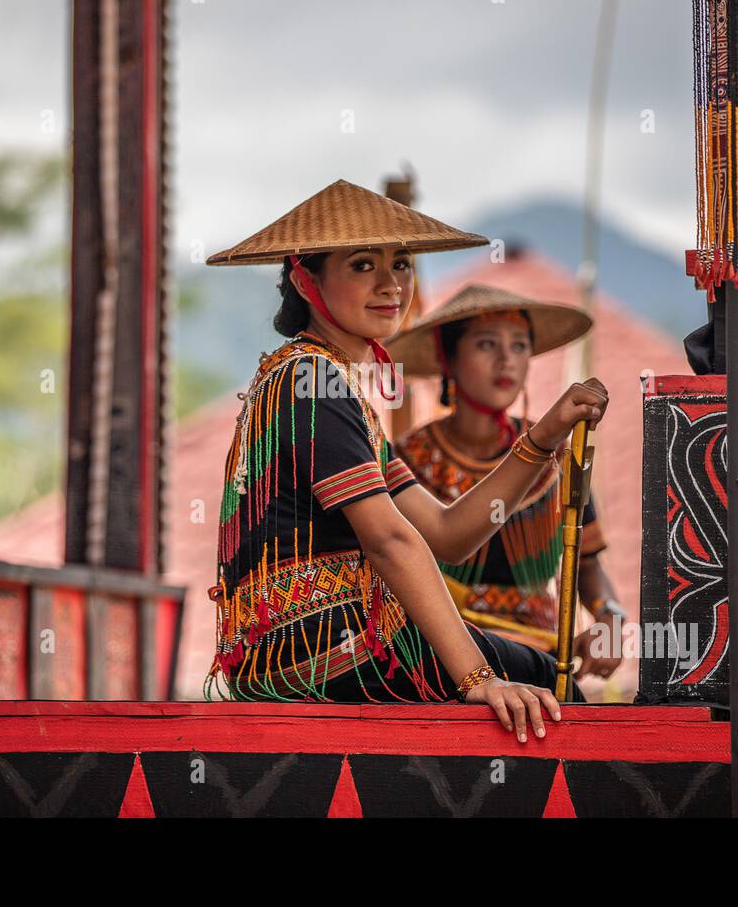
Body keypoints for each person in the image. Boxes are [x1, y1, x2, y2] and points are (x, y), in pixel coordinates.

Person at [202, 179, 609, 743]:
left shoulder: (325, 383)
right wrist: (478, 678)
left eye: (401, 265)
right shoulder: (312, 380)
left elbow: (445, 534)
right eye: (363, 265)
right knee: (541, 672)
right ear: (305, 278)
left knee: (535, 666)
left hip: (304, 639)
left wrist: (543, 437)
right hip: (317, 638)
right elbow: (390, 541)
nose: (391, 284)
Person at [385, 283, 627, 681]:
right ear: (448, 358)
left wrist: (609, 616)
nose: (506, 361)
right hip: (442, 661)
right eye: (486, 345)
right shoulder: (406, 460)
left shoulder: (557, 459)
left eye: (519, 346)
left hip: (542, 659)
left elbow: (588, 564)